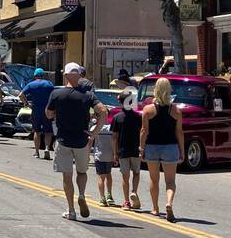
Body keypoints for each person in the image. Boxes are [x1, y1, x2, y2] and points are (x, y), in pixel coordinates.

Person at [46, 63, 106, 221]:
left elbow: (48, 114)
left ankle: (71, 210)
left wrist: (57, 113)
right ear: (80, 76)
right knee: (82, 172)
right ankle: (81, 194)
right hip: (82, 140)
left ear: (65, 76)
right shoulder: (88, 95)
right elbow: (103, 111)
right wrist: (94, 132)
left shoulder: (56, 94)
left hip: (63, 140)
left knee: (67, 176)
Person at [139, 76, 184, 222]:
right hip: (170, 147)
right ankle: (169, 203)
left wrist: (141, 148)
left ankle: (155, 208)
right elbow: (179, 132)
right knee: (170, 181)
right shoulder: (176, 110)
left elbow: (144, 131)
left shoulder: (148, 110)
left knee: (154, 179)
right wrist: (182, 150)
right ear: (169, 90)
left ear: (155, 90)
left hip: (152, 146)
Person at [111, 89, 143, 209]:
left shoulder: (117, 118)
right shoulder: (138, 117)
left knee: (125, 177)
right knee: (136, 173)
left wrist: (115, 153)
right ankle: (134, 191)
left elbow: (114, 137)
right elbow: (142, 132)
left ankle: (126, 202)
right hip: (135, 149)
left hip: (123, 151)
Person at [22, 68, 55, 159]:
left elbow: (21, 95)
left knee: (36, 131)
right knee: (48, 131)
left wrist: (26, 103)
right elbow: (54, 96)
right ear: (43, 75)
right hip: (47, 110)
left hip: (36, 110)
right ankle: (47, 148)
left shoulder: (31, 84)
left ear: (35, 76)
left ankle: (36, 152)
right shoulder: (49, 84)